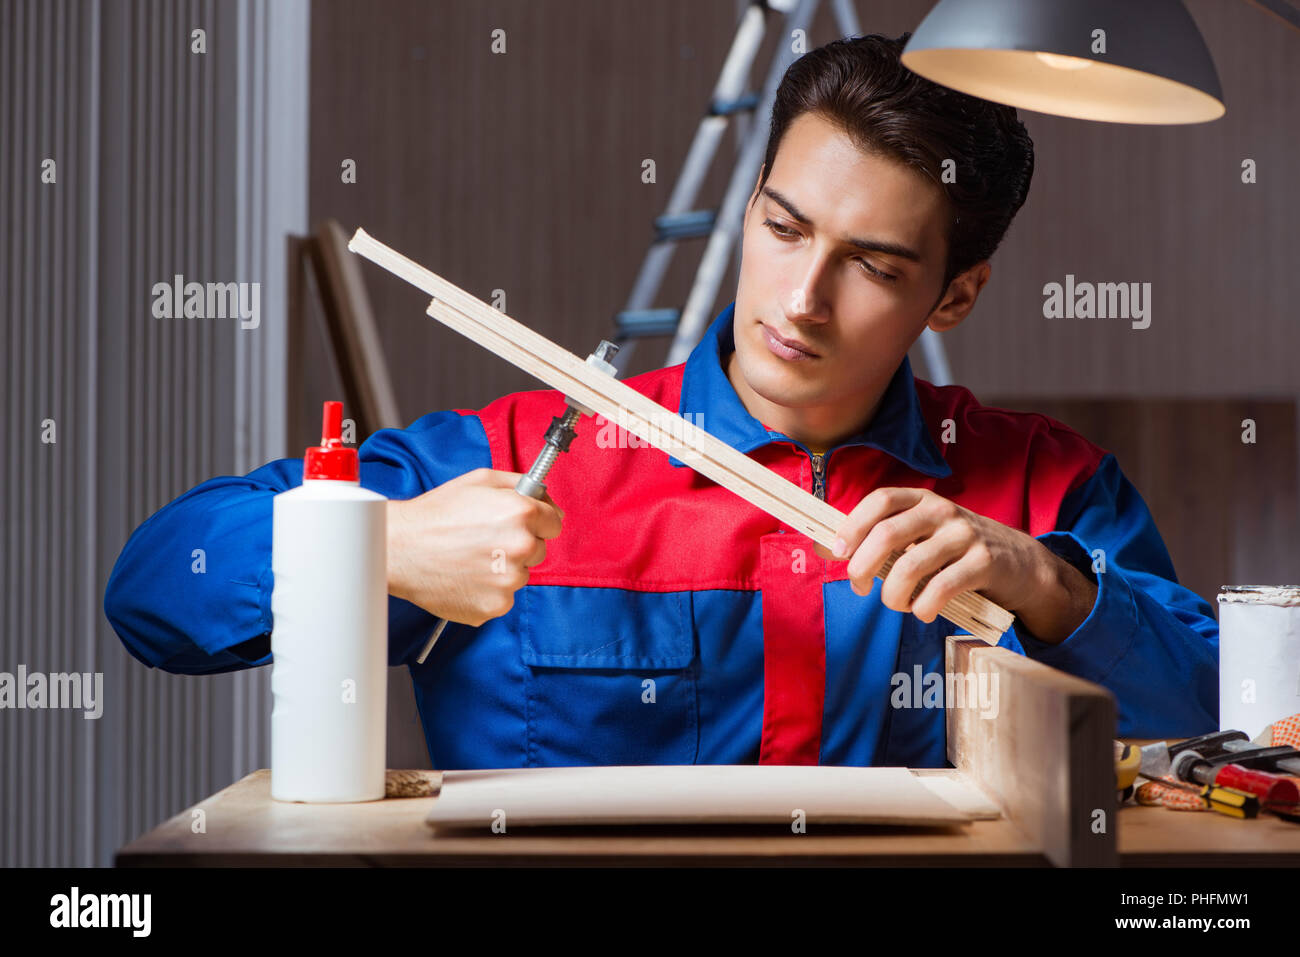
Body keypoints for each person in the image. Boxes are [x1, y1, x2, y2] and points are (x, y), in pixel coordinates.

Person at [104, 33, 1218, 769]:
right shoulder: (511, 456)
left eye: (872, 266)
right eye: (782, 229)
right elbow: (153, 592)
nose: (802, 299)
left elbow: (1220, 726)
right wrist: (379, 542)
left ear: (954, 294)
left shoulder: (1044, 487)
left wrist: (1047, 583)